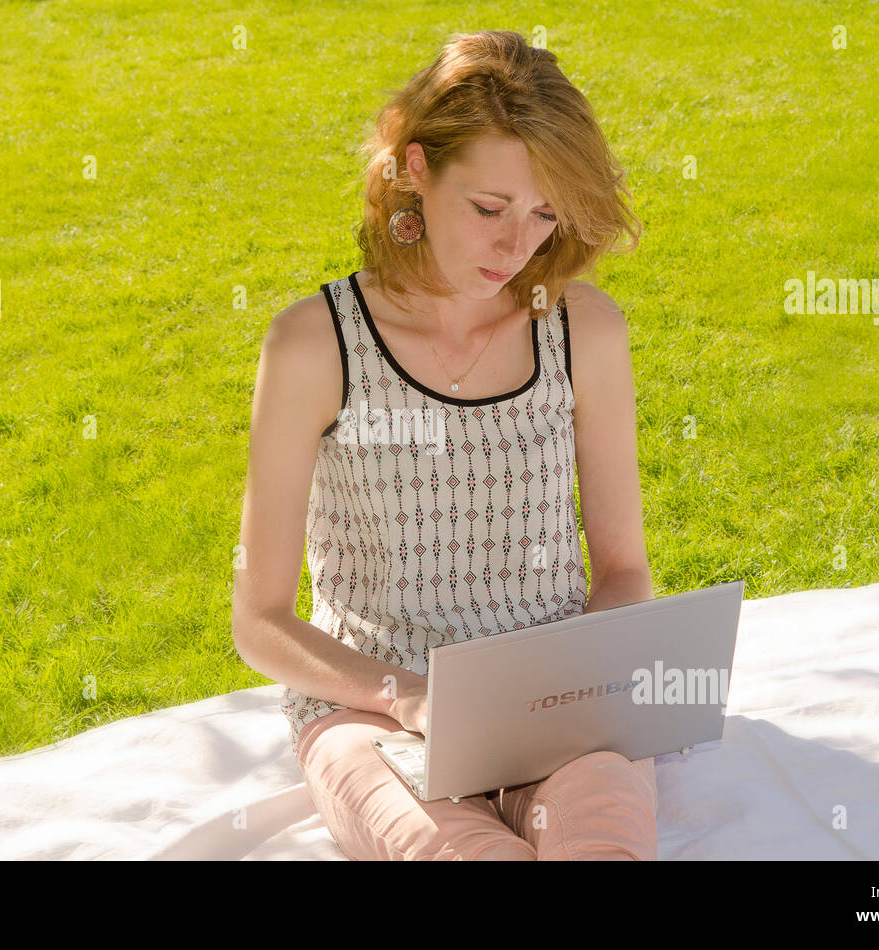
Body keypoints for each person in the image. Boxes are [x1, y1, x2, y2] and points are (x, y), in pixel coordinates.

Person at [232, 30, 658, 860]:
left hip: (553, 707)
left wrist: (569, 687)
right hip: (371, 712)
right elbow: (260, 620)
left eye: (544, 215)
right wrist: (413, 698)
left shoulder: (586, 330)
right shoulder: (314, 346)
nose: (516, 247)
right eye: (490, 209)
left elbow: (624, 572)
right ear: (416, 170)